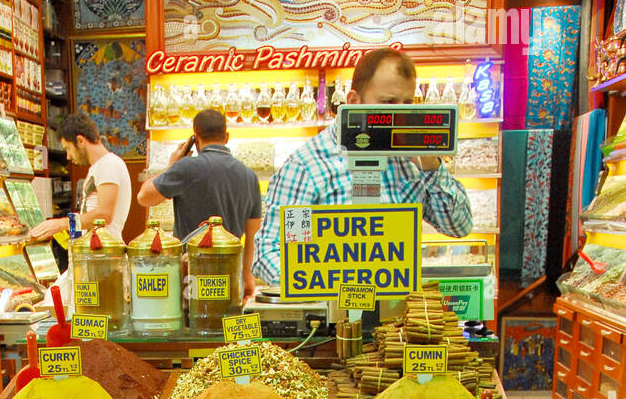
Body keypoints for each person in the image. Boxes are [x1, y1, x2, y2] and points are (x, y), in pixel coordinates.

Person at [252, 49, 472, 287]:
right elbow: (271, 250)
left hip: (397, 317)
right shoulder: (308, 166)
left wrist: (430, 164)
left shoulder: (411, 164)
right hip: (335, 317)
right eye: (388, 102)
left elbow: (458, 226)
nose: (400, 113)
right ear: (354, 102)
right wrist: (319, 288)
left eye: (407, 103)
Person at [137, 109, 262, 304]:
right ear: (226, 136)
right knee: (226, 325)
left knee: (195, 326)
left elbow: (144, 197)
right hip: (231, 275)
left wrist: (172, 165)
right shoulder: (249, 176)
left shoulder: (185, 167)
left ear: (195, 138)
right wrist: (247, 276)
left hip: (192, 277)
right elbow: (252, 234)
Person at [30, 112, 133, 251]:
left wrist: (62, 224)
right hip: (96, 252)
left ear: (80, 140)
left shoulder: (109, 164)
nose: (68, 156)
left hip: (106, 254)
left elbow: (104, 215)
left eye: (68, 148)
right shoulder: (99, 167)